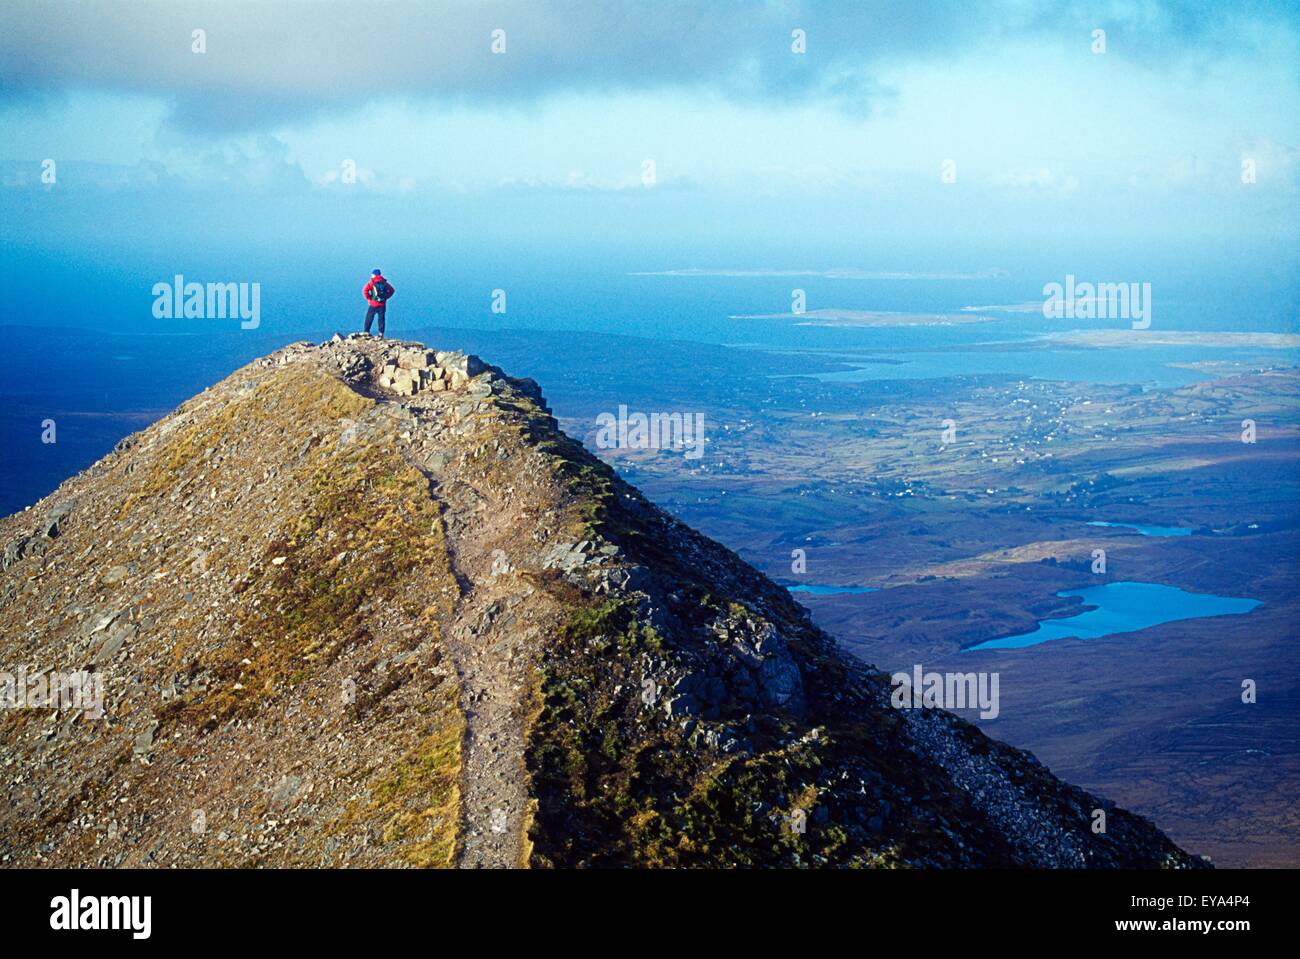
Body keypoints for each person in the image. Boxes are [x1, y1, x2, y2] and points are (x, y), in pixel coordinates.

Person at [363, 269, 395, 337]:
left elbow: (365, 291)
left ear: (374, 275)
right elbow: (392, 290)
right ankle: (381, 333)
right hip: (382, 304)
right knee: (381, 319)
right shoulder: (384, 282)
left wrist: (369, 298)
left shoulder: (372, 282)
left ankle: (366, 332)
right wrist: (386, 297)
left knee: (369, 317)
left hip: (373, 304)